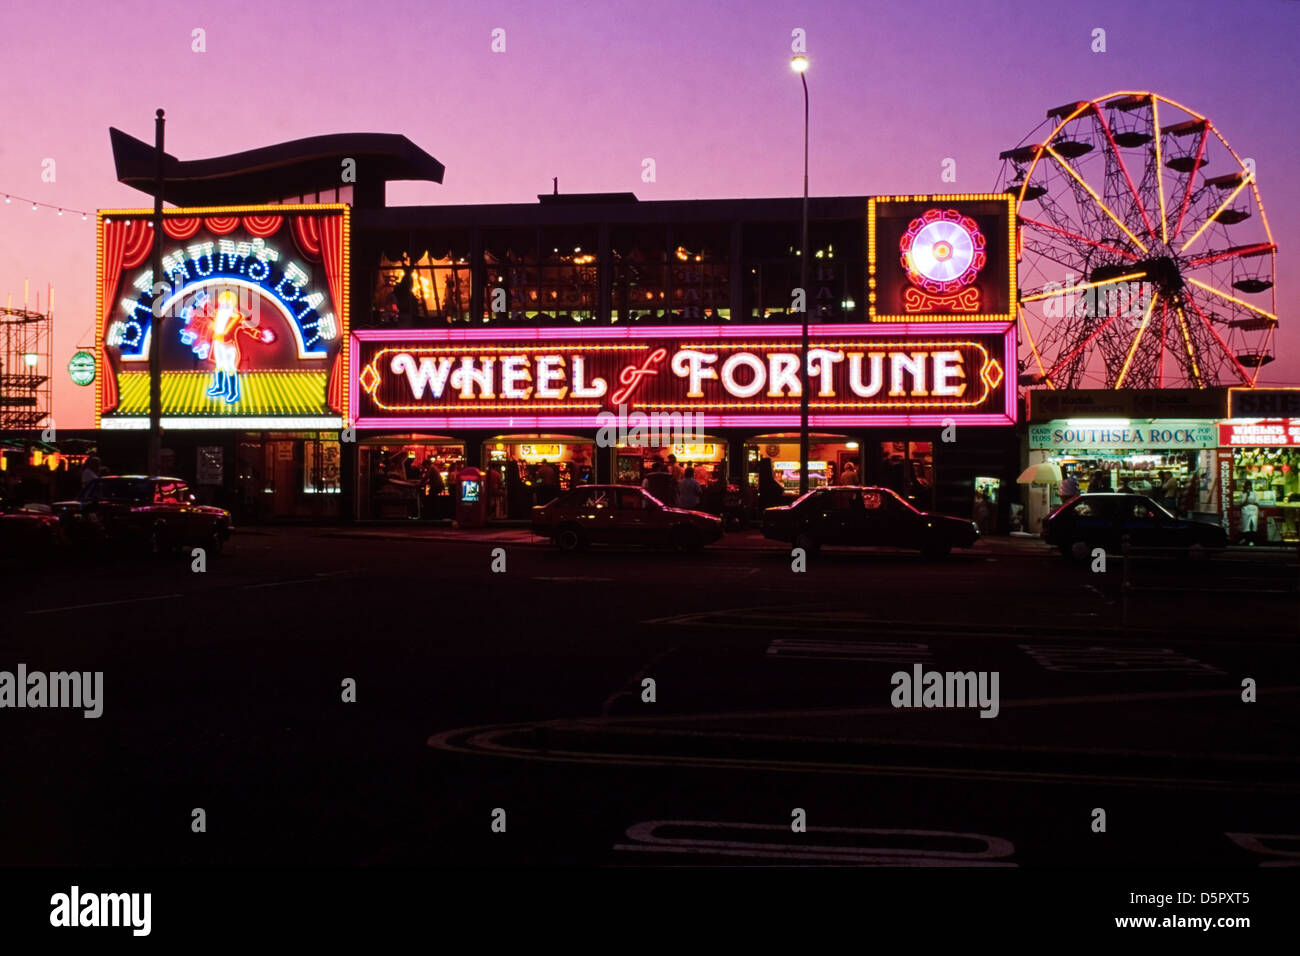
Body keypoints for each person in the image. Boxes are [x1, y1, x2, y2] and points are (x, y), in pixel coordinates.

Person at [1239, 481, 1260, 546]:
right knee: (1246, 526)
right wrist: (1247, 496)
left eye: (1249, 485)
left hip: (1253, 511)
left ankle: (1252, 540)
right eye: (1247, 485)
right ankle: (1246, 539)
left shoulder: (1254, 493)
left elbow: (1257, 502)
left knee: (1253, 525)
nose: (1249, 487)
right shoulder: (1243, 494)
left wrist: (1249, 503)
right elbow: (1242, 503)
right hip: (1246, 511)